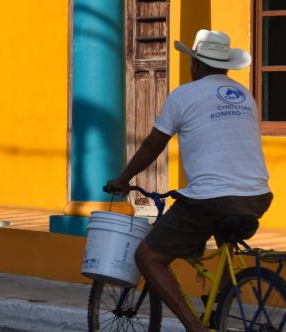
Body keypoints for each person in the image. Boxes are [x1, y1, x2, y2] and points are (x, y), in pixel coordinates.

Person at [105, 29, 272, 332]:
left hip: (210, 200)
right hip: (258, 197)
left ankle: (194, 327)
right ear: (225, 66)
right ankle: (222, 301)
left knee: (148, 256)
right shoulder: (245, 97)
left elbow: (152, 147)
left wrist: (123, 178)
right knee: (223, 226)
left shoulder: (184, 95)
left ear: (195, 64)